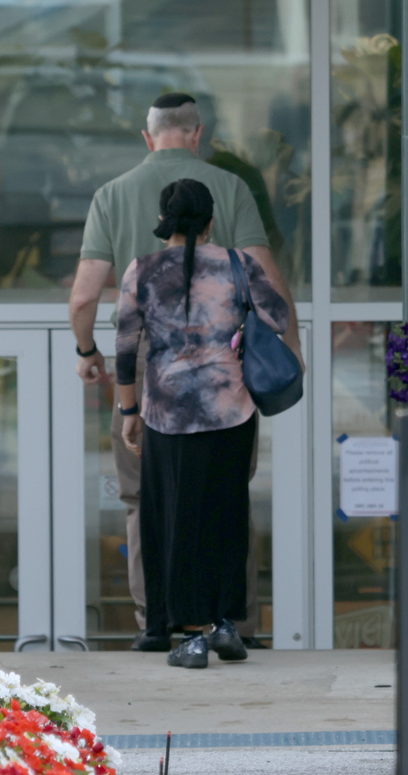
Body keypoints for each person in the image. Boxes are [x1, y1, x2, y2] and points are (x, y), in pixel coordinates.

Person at [69, 93, 300, 651]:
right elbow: (271, 290)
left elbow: (83, 299)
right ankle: (232, 623)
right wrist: (287, 359)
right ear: (198, 135)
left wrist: (87, 354)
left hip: (155, 383)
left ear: (148, 139)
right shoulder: (231, 188)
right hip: (228, 384)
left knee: (145, 503)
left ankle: (158, 622)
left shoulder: (112, 198)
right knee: (227, 500)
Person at [113, 180, 293, 669]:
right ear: (211, 220)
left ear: (164, 220)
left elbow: (126, 349)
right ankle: (226, 624)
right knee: (227, 517)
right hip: (230, 411)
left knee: (172, 520)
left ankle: (188, 634)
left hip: (166, 415)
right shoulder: (237, 264)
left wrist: (129, 413)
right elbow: (276, 317)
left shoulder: (141, 271)